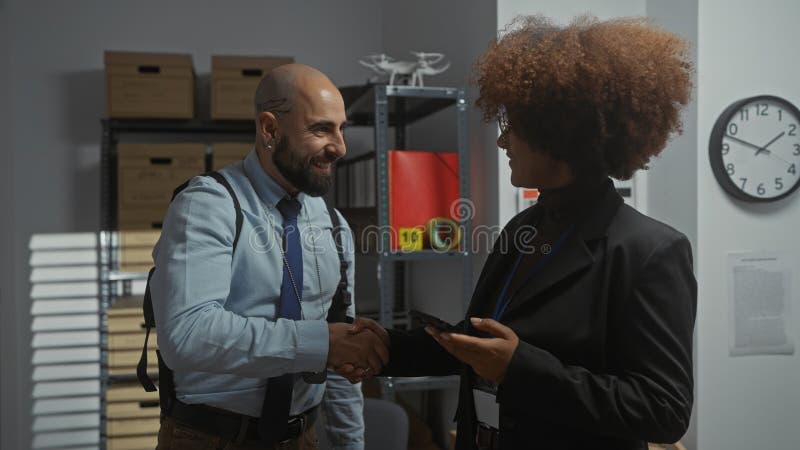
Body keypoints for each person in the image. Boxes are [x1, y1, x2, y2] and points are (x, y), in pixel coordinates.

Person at [346, 15, 696, 450]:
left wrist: (520, 368)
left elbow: (664, 411)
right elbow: (479, 343)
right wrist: (383, 348)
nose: (502, 141)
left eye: (515, 127)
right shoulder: (524, 227)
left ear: (562, 133)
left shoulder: (650, 252)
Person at [151, 64, 389, 450]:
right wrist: (320, 344)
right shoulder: (207, 205)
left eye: (342, 128)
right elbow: (186, 335)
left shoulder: (333, 224)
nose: (340, 147)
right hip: (211, 439)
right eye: (321, 129)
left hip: (304, 438)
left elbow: (343, 349)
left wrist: (350, 444)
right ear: (270, 129)